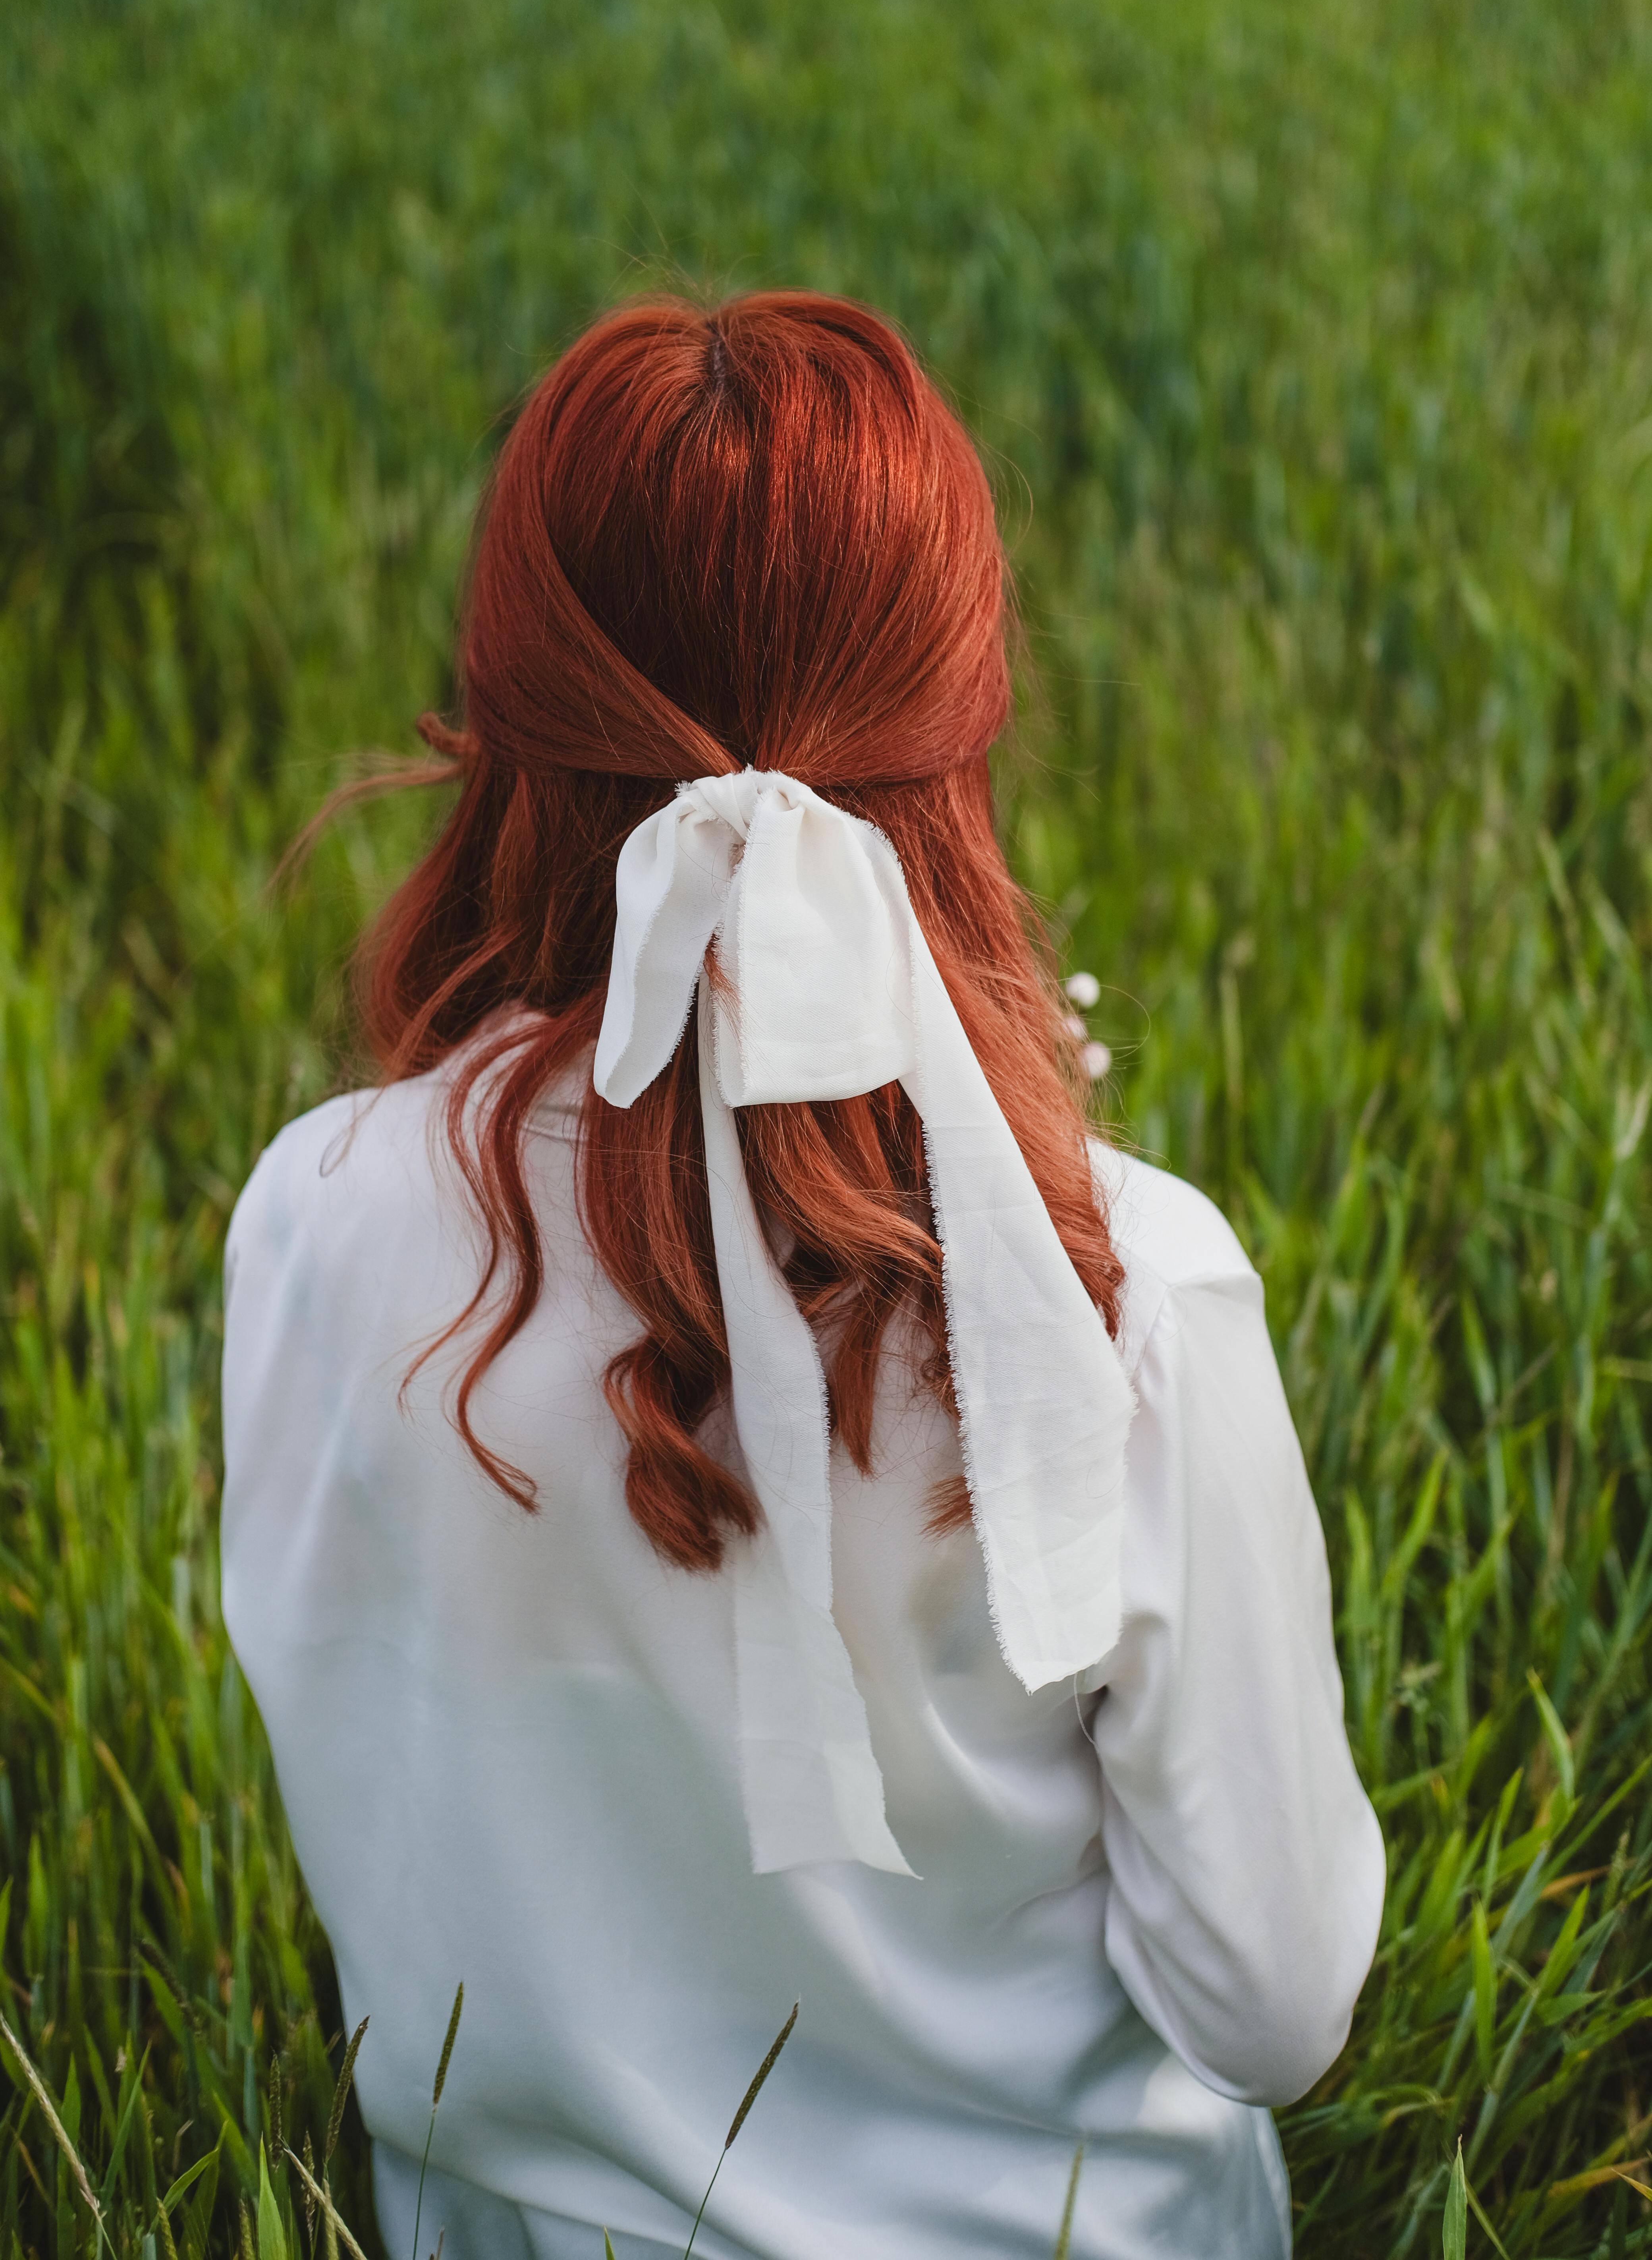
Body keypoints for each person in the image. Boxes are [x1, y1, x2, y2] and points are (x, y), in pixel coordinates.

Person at [221, 292, 1384, 2260]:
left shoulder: (320, 1221)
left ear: (505, 714)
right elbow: (1268, 2016)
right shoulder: (1125, 1294)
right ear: (957, 708)